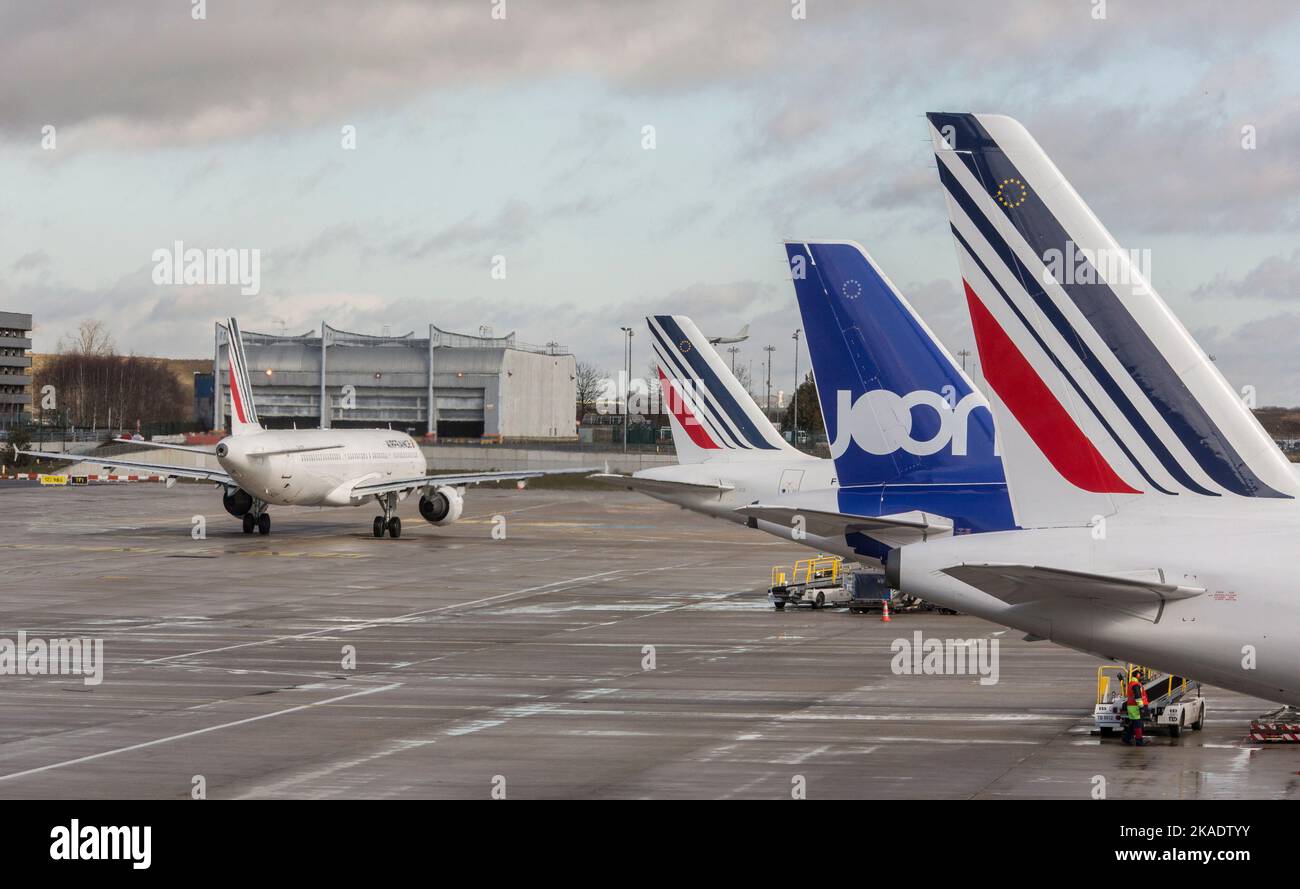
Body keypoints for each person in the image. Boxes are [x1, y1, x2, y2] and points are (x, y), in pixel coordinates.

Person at [1122, 674, 1149, 746]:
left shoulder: (1132, 683)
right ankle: (1139, 741)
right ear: (1137, 676)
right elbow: (1138, 697)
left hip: (1132, 707)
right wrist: (1141, 707)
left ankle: (1126, 738)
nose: (1142, 677)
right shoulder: (1136, 685)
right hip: (1136, 707)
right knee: (1138, 725)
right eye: (1141, 676)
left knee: (1133, 724)